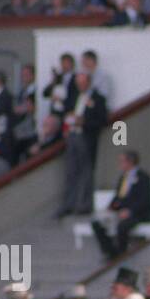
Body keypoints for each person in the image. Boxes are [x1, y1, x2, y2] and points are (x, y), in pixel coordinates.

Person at [56, 73, 108, 218]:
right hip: (72, 135)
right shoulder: (73, 97)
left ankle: (84, 204)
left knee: (86, 171)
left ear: (88, 82)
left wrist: (84, 122)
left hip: (86, 136)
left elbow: (102, 120)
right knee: (70, 170)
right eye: (78, 83)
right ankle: (69, 203)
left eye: (82, 83)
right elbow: (64, 112)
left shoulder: (97, 99)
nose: (80, 86)